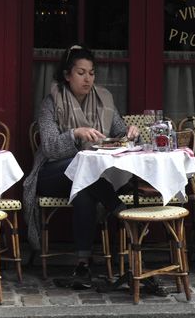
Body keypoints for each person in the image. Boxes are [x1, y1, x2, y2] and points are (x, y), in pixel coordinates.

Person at [22, 44, 138, 289]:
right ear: (67, 75)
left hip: (87, 178)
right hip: (52, 173)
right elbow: (50, 147)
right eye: (81, 73)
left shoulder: (104, 99)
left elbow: (120, 134)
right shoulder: (51, 102)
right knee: (81, 167)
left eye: (92, 73)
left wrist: (130, 132)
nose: (88, 79)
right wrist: (75, 133)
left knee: (84, 187)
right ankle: (118, 207)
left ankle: (82, 265)